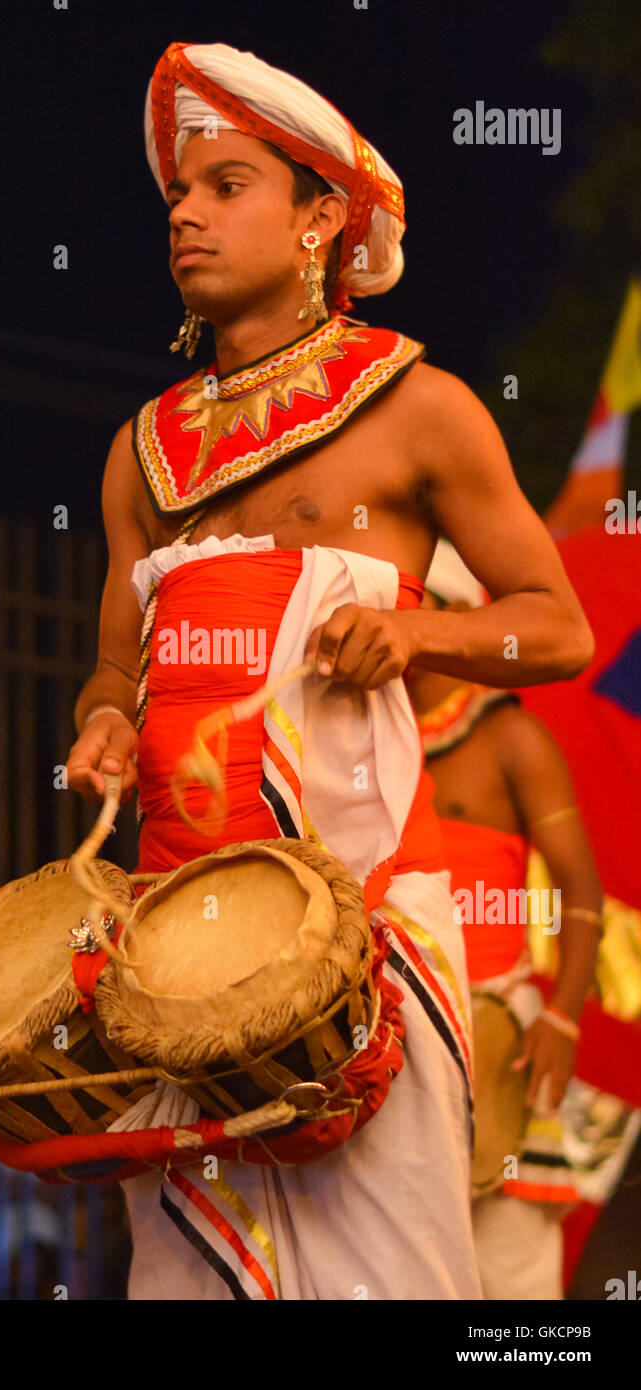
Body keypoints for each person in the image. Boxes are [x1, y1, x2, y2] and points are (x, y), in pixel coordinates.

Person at [64, 41, 592, 1300]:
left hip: (368, 933)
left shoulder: (419, 408)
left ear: (318, 222)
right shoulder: (141, 454)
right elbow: (107, 673)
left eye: (227, 185)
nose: (185, 212)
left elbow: (555, 626)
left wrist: (419, 635)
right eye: (177, 195)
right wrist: (98, 727)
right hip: (177, 956)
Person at [407, 540, 603, 1299]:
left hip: (504, 1034)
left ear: (458, 620)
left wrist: (559, 1017)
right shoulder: (365, 743)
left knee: (514, 1285)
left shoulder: (510, 737)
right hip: (401, 1039)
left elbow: (577, 887)